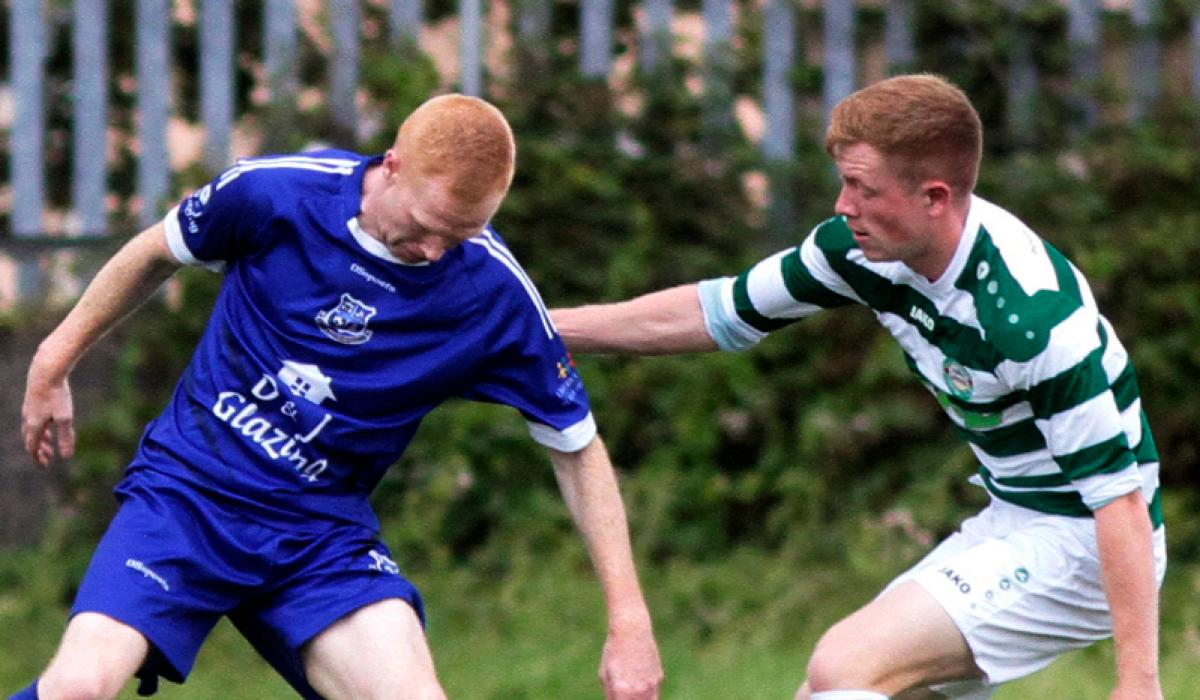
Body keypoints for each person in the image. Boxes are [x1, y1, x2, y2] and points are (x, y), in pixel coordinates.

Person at [17, 94, 663, 700]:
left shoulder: (492, 293)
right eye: (426, 225)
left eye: (460, 237)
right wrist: (53, 359)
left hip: (317, 535)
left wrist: (629, 619)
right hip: (189, 497)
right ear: (391, 166)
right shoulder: (275, 194)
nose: (436, 251)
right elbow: (157, 252)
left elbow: (577, 448)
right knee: (79, 687)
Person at [551, 74, 1165, 700]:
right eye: (844, 183)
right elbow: (722, 311)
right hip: (1013, 516)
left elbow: (1119, 503)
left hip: (1088, 539)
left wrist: (1139, 683)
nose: (844, 206)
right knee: (829, 695)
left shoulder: (1031, 318)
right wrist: (539, 331)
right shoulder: (861, 251)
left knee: (844, 666)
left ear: (934, 197)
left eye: (862, 188)